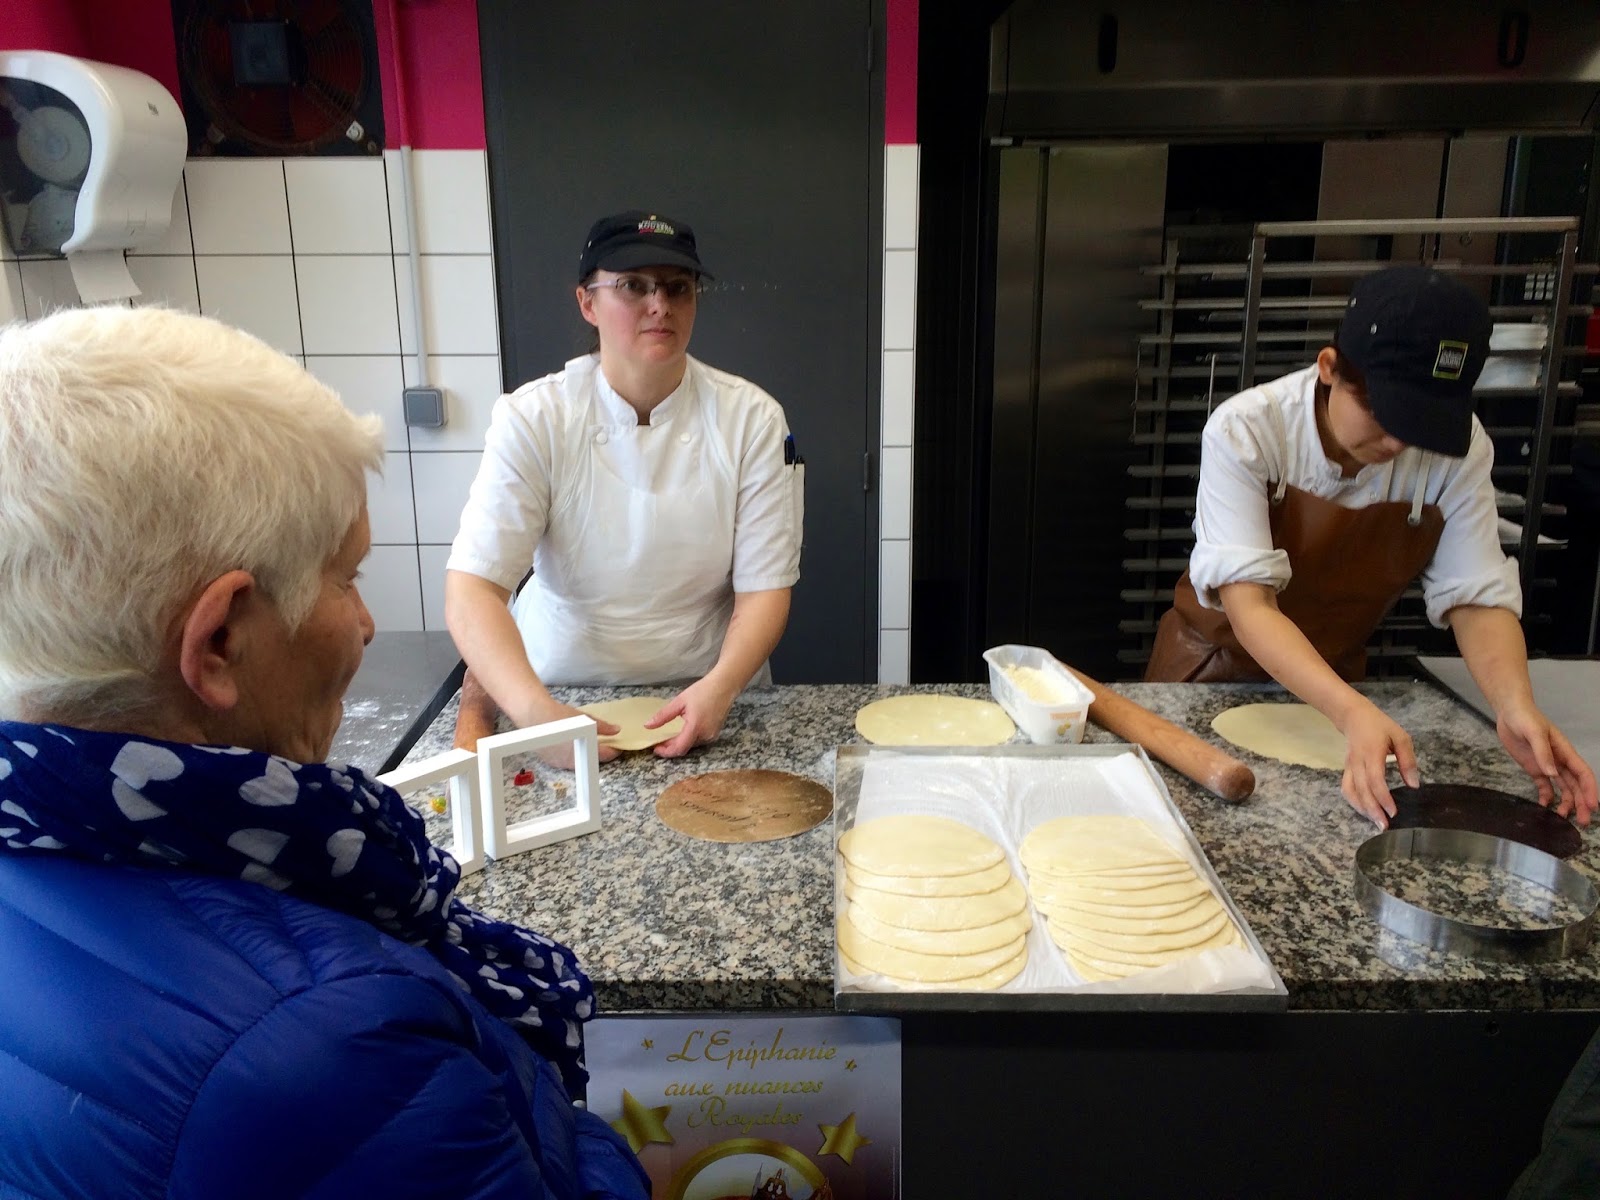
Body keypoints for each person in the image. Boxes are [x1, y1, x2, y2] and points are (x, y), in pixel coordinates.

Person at [0, 306, 648, 1200]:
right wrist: (610, 1146)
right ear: (220, 641)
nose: (367, 622)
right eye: (347, 575)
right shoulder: (337, 1049)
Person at [1144, 265, 1597, 831]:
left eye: (1424, 422)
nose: (1399, 441)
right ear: (1329, 368)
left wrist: (1514, 705)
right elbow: (1250, 606)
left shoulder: (1459, 453)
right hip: (1210, 671)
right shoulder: (1249, 430)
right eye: (1385, 414)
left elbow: (1476, 596)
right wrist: (1350, 711)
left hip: (1337, 686)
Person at [445, 210, 802, 759]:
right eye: (633, 286)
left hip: (708, 688)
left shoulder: (751, 420)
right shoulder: (534, 419)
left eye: (678, 288)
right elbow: (473, 589)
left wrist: (723, 686)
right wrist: (536, 715)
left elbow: (766, 588)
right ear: (587, 302)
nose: (660, 305)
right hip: (557, 687)